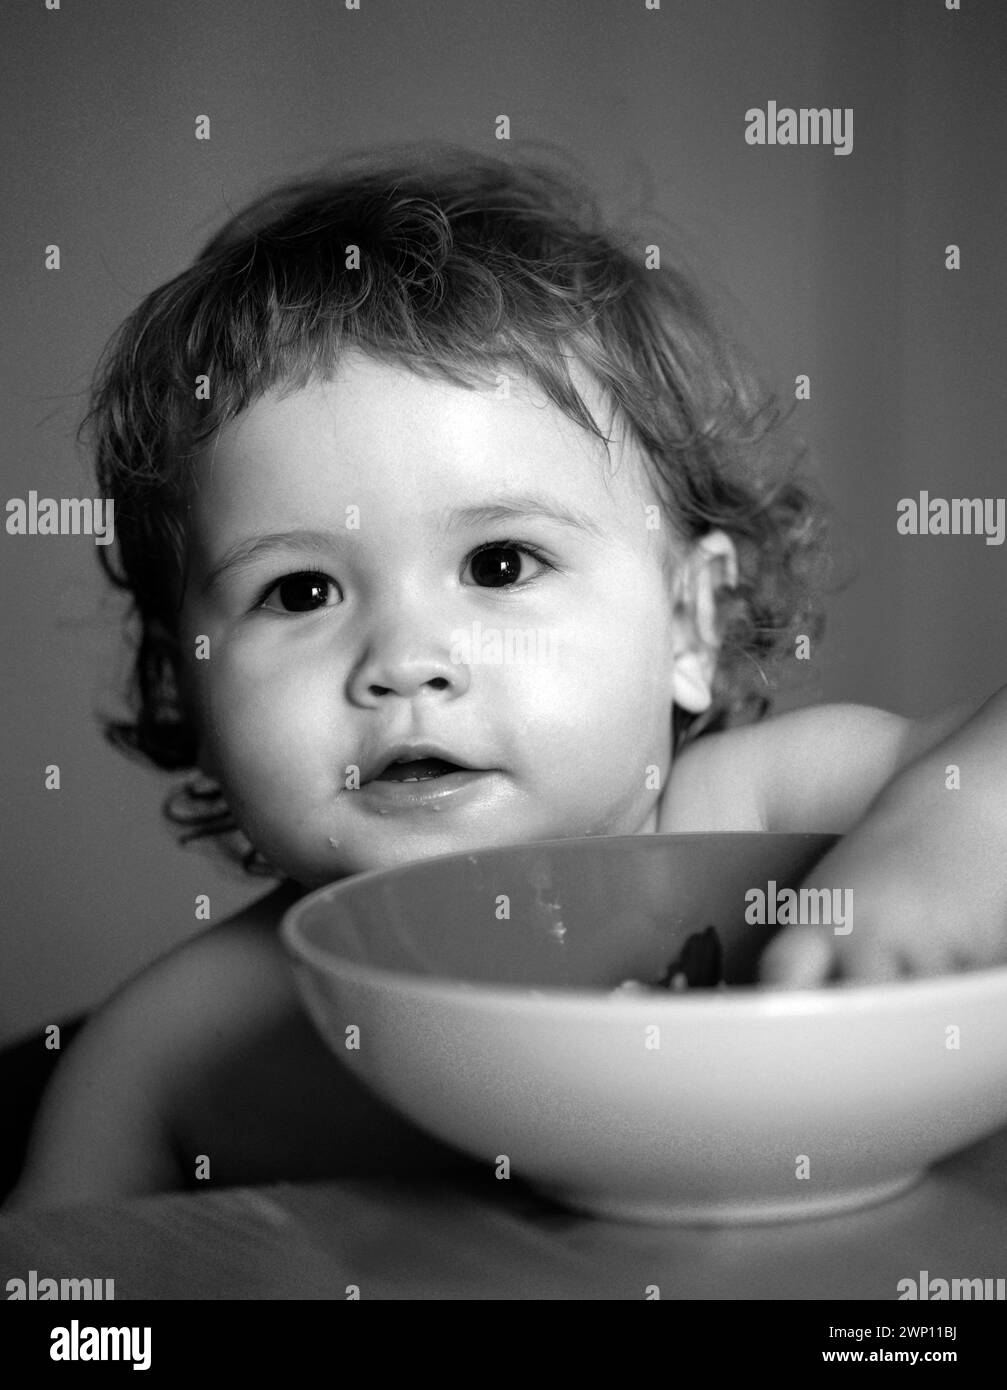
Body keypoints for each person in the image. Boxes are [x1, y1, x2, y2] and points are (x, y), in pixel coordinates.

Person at [6, 145, 1006, 1209]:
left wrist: (944, 840)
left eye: (498, 565)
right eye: (300, 591)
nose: (404, 663)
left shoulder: (763, 814)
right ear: (186, 682)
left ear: (688, 620)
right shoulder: (176, 1048)